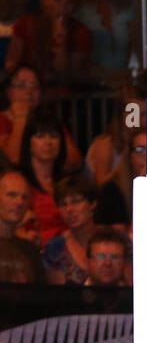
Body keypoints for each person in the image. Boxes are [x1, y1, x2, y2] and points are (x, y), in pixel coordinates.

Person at [5, 0, 93, 88]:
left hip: (62, 94)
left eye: (70, 3)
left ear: (75, 7)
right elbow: (10, 64)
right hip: (27, 89)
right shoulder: (25, 24)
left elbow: (67, 75)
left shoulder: (81, 32)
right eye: (57, 0)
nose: (62, 8)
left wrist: (61, 45)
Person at [0, 62, 80, 168]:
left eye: (35, 86)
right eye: (21, 85)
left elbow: (74, 159)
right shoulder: (2, 119)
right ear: (8, 92)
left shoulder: (49, 120)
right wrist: (20, 119)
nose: (29, 91)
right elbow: (12, 160)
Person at [20, 105, 66, 243]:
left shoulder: (69, 183)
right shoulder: (18, 183)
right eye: (40, 136)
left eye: (54, 136)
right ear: (28, 143)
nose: (48, 142)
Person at [41, 172, 97, 284]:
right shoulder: (54, 248)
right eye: (63, 204)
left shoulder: (115, 240)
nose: (69, 210)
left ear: (93, 204)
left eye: (75, 201)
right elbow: (58, 296)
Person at [95, 127, 146, 228]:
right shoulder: (111, 189)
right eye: (140, 150)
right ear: (129, 156)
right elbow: (120, 239)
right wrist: (143, 188)